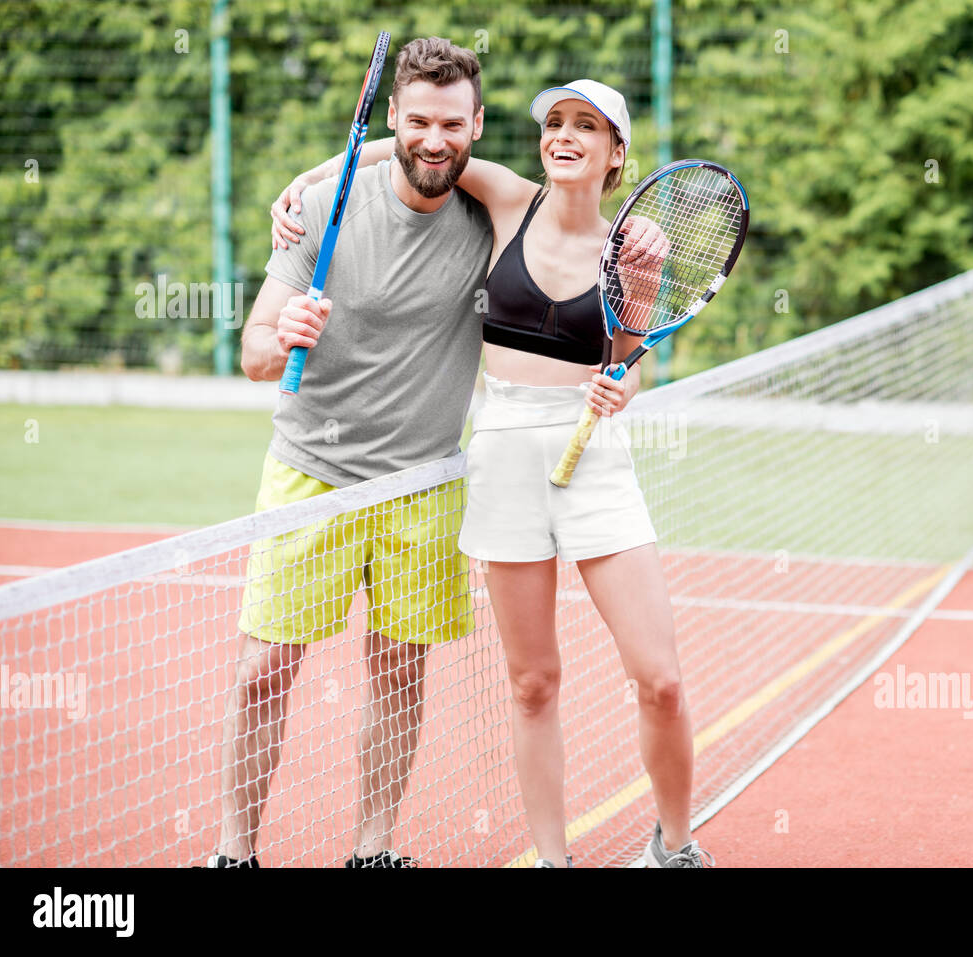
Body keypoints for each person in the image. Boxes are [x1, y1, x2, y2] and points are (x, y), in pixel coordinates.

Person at [273, 78, 713, 867]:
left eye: (587, 126)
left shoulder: (633, 250)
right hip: (503, 453)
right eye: (555, 123)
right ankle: (553, 859)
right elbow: (409, 148)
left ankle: (675, 845)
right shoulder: (508, 197)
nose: (565, 135)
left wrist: (623, 385)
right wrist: (308, 182)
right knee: (533, 682)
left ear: (617, 155)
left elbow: (630, 360)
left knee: (663, 680)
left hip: (595, 464)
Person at [210, 36, 496, 869]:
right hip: (311, 473)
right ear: (395, 121)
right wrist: (281, 332)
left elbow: (574, 211)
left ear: (476, 125)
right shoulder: (326, 206)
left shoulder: (493, 219)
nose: (434, 139)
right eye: (417, 121)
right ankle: (234, 853)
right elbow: (255, 353)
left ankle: (374, 851)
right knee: (265, 668)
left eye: (452, 122)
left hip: (423, 484)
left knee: (399, 674)